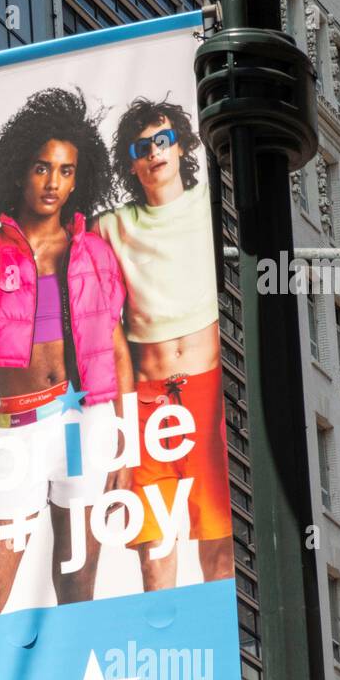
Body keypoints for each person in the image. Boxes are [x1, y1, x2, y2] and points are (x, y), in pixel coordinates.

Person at [0, 88, 133, 620]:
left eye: (67, 172)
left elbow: (114, 348)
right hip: (18, 427)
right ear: (19, 170)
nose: (53, 183)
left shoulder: (93, 250)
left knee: (77, 593)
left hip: (86, 424)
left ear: (80, 177)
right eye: (43, 168)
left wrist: (126, 446)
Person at [94, 98, 233, 591]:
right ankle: (164, 661)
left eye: (162, 139)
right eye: (141, 146)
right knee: (154, 553)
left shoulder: (208, 201)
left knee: (218, 546)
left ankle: (220, 657)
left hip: (206, 390)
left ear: (181, 147)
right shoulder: (113, 226)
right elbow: (56, 241)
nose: (154, 152)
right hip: (148, 402)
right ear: (131, 162)